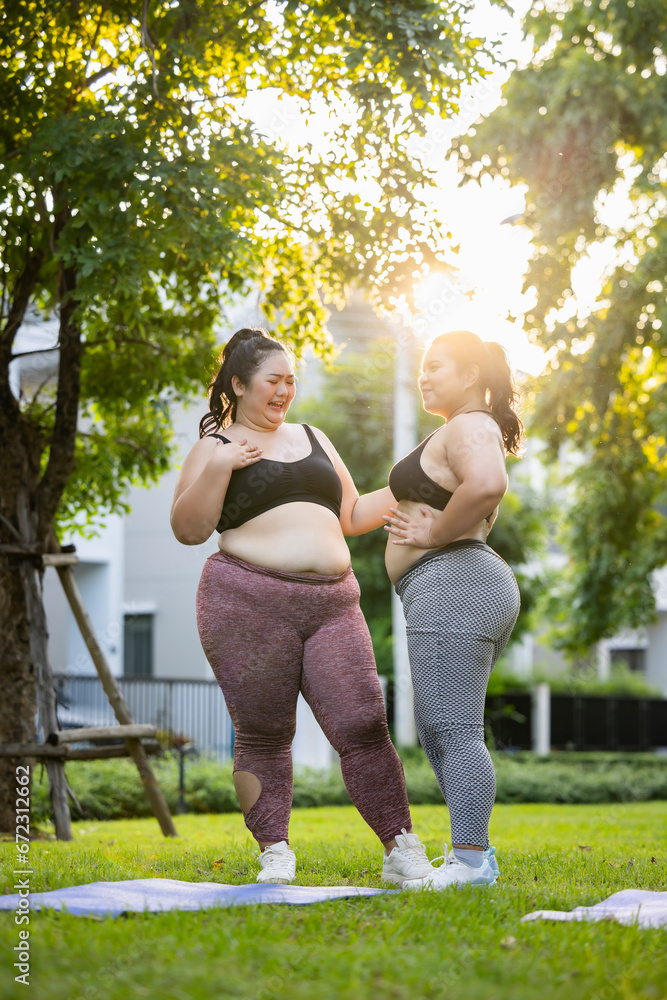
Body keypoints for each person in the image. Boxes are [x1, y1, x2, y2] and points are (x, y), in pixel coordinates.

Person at [170, 327, 436, 886]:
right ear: (240, 384)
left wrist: (422, 476)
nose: (286, 390)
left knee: (364, 721)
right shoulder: (215, 447)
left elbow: (354, 514)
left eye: (292, 380)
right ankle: (274, 848)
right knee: (263, 732)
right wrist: (221, 463)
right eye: (274, 380)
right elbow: (187, 528)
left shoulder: (314, 436)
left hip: (333, 602)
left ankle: (400, 846)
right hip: (246, 600)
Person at [382, 330, 522, 890]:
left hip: (456, 582)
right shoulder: (457, 429)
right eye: (422, 367)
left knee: (453, 727)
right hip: (450, 583)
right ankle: (469, 855)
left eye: (435, 366)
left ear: (469, 376)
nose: (424, 375)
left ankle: (471, 861)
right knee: (438, 726)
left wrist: (434, 533)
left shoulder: (469, 424)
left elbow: (488, 484)